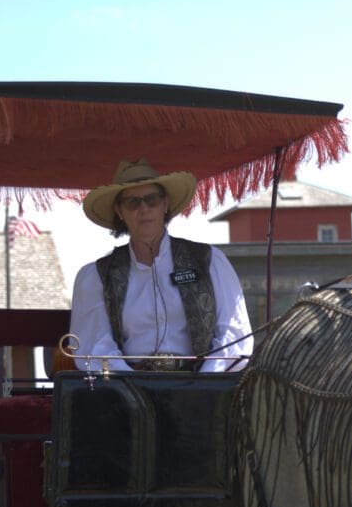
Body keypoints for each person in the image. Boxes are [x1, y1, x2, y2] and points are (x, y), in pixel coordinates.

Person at [67, 159, 252, 374]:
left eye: (151, 200)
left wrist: (206, 380)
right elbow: (93, 345)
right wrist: (132, 384)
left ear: (165, 204)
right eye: (132, 202)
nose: (144, 209)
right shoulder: (97, 276)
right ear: (119, 211)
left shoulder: (209, 261)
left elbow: (235, 334)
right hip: (126, 390)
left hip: (203, 386)